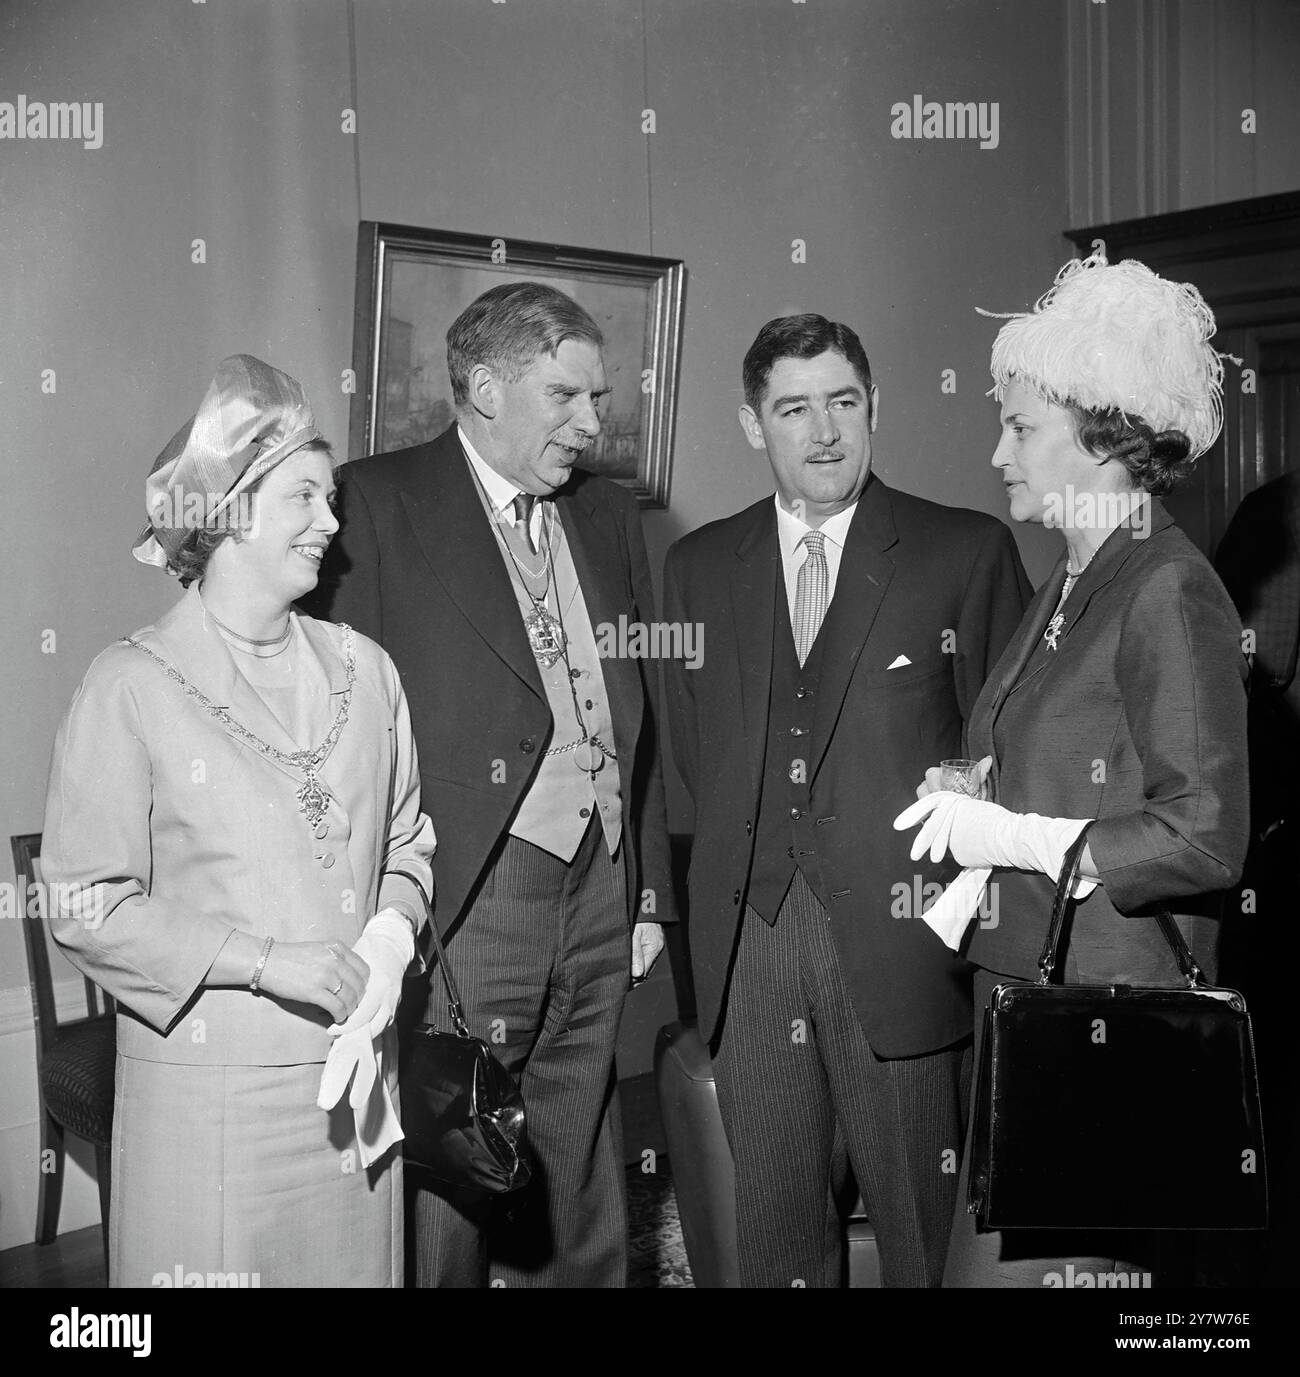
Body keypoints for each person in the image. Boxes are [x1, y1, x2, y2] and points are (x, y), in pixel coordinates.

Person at [305, 281, 676, 1288]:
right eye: (565, 396)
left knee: (581, 1143)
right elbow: (336, 731)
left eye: (597, 398)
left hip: (599, 885)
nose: (591, 425)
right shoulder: (373, 505)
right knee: (460, 1155)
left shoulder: (602, 516)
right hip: (466, 889)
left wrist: (645, 892)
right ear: (480, 388)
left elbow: (633, 714)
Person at [894, 252, 1250, 1287]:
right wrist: (975, 794)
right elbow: (1079, 764)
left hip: (1102, 1028)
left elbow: (1202, 833)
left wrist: (1014, 840)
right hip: (1028, 1005)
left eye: (1020, 427)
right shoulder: (1075, 577)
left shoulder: (1167, 588)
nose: (995, 450)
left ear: (1105, 437)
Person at [43, 354, 436, 1287]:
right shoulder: (129, 684)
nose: (332, 523)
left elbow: (409, 841)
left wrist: (387, 939)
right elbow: (81, 902)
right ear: (227, 510)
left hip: (355, 1094)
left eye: (330, 496)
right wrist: (268, 961)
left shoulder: (368, 670)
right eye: (305, 496)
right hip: (208, 1106)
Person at [660, 313, 1030, 1287]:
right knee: (775, 1239)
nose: (823, 431)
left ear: (876, 408)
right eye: (793, 409)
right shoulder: (697, 568)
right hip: (751, 944)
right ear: (752, 425)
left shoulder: (962, 551)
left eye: (842, 403)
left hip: (904, 941)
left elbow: (1006, 756)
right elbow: (689, 769)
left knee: (921, 1230)